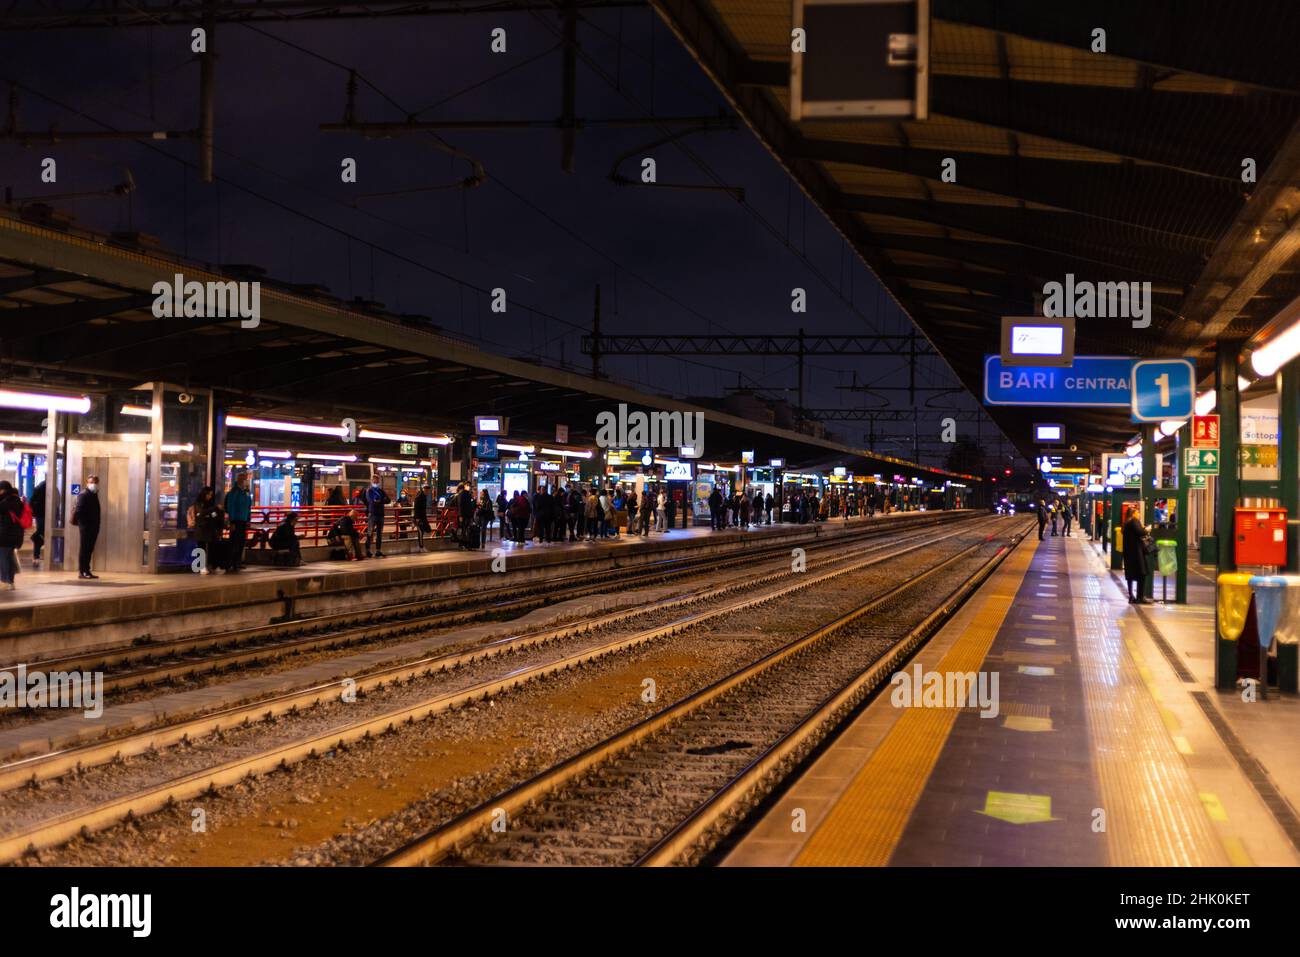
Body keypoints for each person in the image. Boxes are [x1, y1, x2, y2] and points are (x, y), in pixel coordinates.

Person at [187, 486, 225, 574]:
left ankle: (212, 565)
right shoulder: (198, 503)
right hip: (201, 529)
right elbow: (201, 513)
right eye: (209, 494)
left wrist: (212, 515)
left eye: (211, 495)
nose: (210, 496)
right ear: (205, 494)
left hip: (210, 529)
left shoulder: (210, 504)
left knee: (212, 547)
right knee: (202, 547)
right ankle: (201, 566)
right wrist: (212, 511)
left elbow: (213, 515)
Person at [73, 474, 103, 579]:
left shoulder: (94, 494)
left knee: (89, 549)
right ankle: (82, 571)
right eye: (91, 482)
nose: (93, 484)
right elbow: (79, 511)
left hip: (93, 527)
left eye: (95, 482)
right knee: (84, 549)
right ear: (87, 483)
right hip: (86, 528)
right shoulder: (84, 494)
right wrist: (84, 524)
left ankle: (87, 570)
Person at [224, 471, 252, 573]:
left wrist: (248, 519)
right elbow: (231, 507)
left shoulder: (245, 492)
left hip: (243, 520)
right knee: (234, 542)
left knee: (240, 542)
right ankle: (231, 562)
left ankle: (237, 562)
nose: (245, 481)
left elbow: (248, 506)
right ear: (240, 480)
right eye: (244, 479)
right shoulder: (234, 492)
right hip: (236, 521)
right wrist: (231, 522)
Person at [1122, 506, 1151, 604]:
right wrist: (1147, 529)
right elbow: (1141, 532)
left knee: (1130, 575)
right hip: (1136, 553)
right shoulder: (1134, 521)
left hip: (1128, 553)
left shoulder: (1126, 524)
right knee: (1141, 574)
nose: (1139, 514)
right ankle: (1140, 597)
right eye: (1137, 512)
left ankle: (1131, 595)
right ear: (1133, 514)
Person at [0, 481, 24, 590]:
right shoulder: (17, 501)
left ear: (3, 490)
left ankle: (5, 581)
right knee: (9, 557)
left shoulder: (5, 502)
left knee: (4, 558)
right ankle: (10, 581)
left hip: (5, 535)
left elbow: (4, 521)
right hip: (16, 535)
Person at [28, 479, 45, 563]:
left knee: (41, 533)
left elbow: (31, 502)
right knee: (41, 533)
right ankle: (36, 554)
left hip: (39, 515)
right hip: (42, 515)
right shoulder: (44, 487)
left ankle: (36, 554)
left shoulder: (39, 488)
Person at [413, 484, 431, 549]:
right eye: (427, 490)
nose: (428, 492)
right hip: (419, 517)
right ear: (424, 490)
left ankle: (421, 546)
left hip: (423, 517)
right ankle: (421, 546)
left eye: (428, 491)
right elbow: (416, 507)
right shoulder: (419, 496)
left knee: (428, 530)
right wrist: (417, 518)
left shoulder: (424, 496)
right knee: (420, 532)